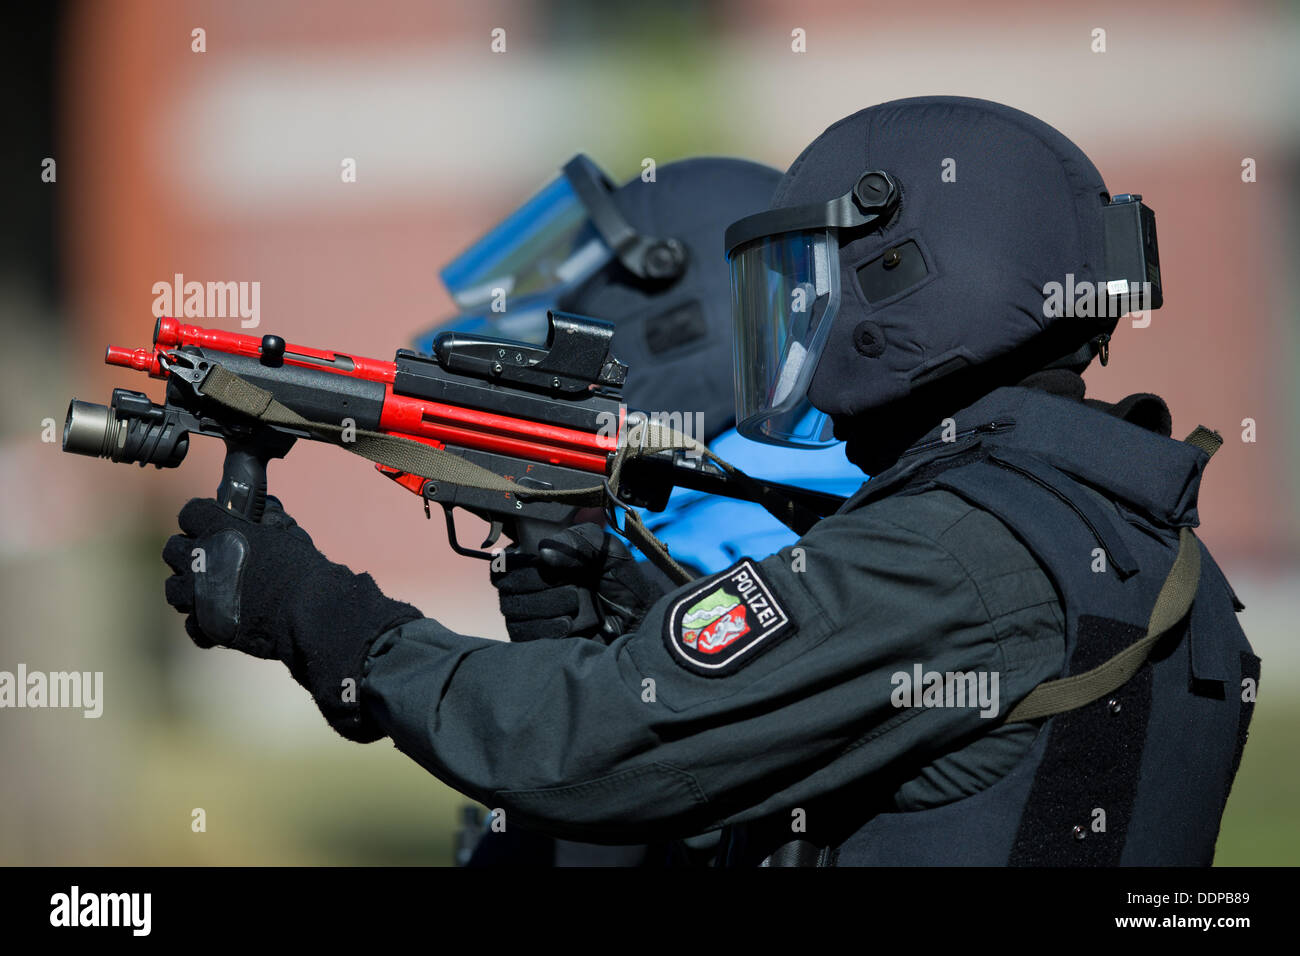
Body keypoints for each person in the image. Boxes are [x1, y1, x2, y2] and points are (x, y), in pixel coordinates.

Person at [163, 96, 1258, 866]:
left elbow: (578, 747)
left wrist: (311, 609)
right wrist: (631, 614)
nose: (794, 320)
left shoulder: (958, 549)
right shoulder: (1120, 532)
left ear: (911, 284)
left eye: (810, 280)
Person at [419, 153, 862, 864]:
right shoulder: (834, 483)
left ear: (681, 320)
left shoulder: (736, 528)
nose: (557, 337)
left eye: (594, 303)